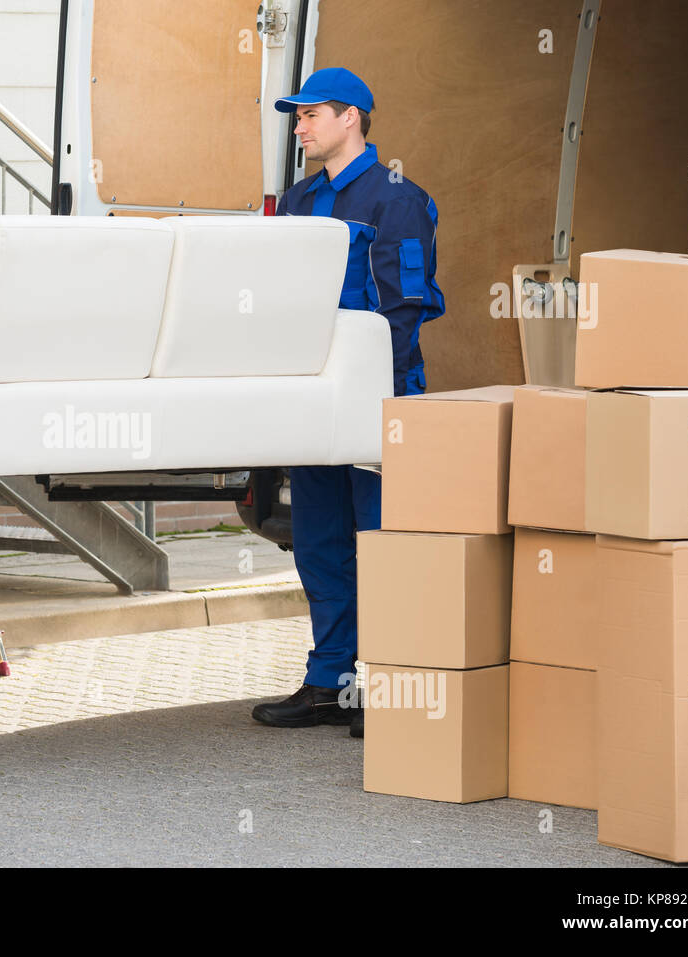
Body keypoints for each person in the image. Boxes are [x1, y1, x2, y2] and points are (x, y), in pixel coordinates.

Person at [250, 68, 445, 735]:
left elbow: (406, 307)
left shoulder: (399, 200)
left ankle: (382, 683)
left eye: (310, 115)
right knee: (319, 541)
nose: (299, 126)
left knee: (380, 540)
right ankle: (329, 679)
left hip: (378, 400)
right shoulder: (299, 201)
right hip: (313, 401)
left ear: (351, 118)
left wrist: (375, 393)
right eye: (297, 116)